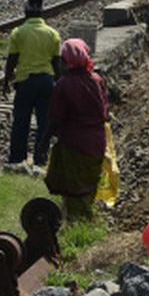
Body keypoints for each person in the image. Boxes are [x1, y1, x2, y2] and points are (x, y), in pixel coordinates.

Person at [39, 38, 110, 221]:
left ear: (67, 61)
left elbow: (55, 118)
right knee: (89, 186)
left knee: (74, 189)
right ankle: (85, 221)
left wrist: (44, 141)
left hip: (74, 144)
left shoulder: (64, 84)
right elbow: (105, 111)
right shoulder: (97, 80)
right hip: (97, 142)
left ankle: (78, 226)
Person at [3, 0, 62, 167]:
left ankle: (17, 158)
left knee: (21, 120)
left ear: (26, 12)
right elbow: (56, 63)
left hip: (25, 82)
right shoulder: (52, 34)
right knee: (44, 121)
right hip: (46, 82)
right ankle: (40, 157)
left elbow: (12, 59)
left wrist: (6, 81)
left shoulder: (18, 32)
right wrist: (58, 84)